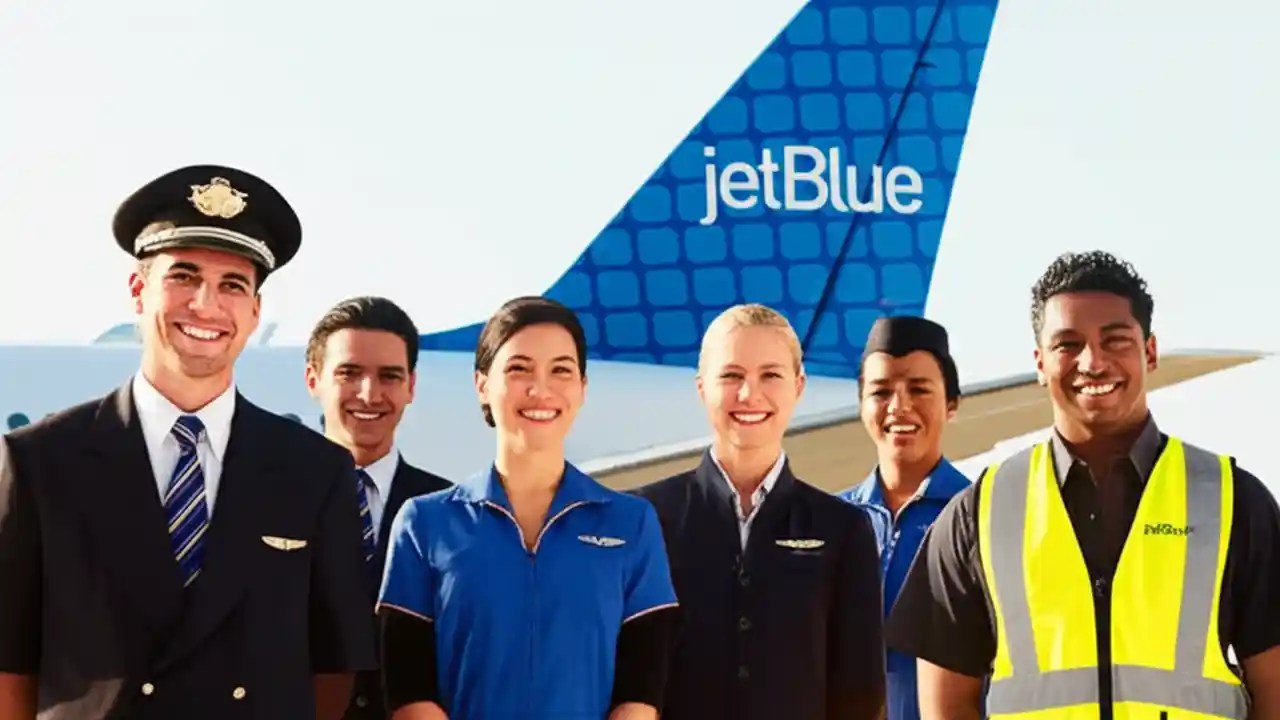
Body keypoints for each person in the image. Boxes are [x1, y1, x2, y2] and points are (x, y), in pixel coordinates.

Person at [0, 165, 377, 719]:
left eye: (232, 285)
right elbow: (10, 661)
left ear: (254, 312)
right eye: (183, 276)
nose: (206, 305)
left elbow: (335, 662)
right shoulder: (41, 461)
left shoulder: (315, 471)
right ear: (137, 290)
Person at [885, 250, 1280, 720]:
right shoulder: (977, 515)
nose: (1092, 362)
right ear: (1039, 362)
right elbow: (946, 708)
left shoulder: (1234, 502)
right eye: (1067, 344)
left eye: (1115, 340)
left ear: (1149, 352)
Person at [375, 296, 680, 720]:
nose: (541, 389)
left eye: (561, 370)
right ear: (482, 383)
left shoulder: (632, 524)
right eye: (519, 369)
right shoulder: (424, 524)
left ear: (582, 387)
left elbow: (641, 692)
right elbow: (408, 688)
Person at [632, 303, 886, 720]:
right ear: (701, 388)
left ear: (799, 386)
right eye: (731, 376)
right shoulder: (646, 518)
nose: (750, 394)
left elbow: (861, 694)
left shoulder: (844, 530)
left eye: (771, 375)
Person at [304, 295, 452, 719]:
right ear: (313, 379)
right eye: (349, 373)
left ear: (411, 387)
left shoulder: (451, 513)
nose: (369, 394)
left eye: (389, 376)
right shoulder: (262, 498)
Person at [836, 315, 971, 720]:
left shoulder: (979, 516)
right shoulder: (828, 524)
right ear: (862, 406)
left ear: (951, 404)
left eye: (919, 389)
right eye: (880, 392)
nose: (899, 406)